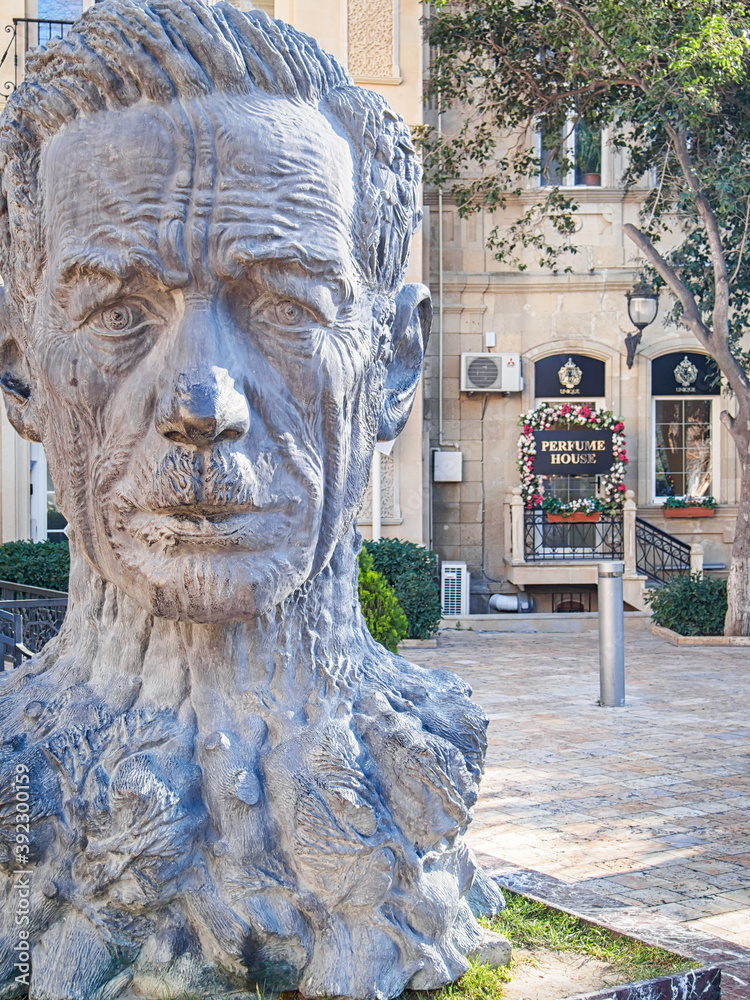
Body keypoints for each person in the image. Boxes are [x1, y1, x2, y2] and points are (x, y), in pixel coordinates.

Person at [0, 4, 497, 997]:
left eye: (284, 304)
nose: (201, 403)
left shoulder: (422, 763)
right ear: (21, 369)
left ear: (394, 361)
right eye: (118, 312)